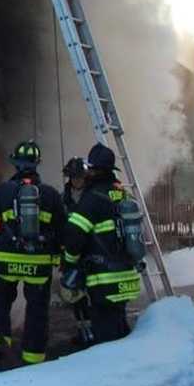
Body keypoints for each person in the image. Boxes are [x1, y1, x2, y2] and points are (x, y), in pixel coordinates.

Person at [0, 140, 66, 366]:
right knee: (37, 310)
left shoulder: (5, 190)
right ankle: (33, 356)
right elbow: (62, 227)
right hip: (38, 264)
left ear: (15, 163)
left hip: (6, 262)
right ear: (37, 164)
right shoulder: (50, 194)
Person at [60, 143, 141, 344]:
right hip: (126, 276)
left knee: (106, 339)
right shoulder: (123, 193)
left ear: (94, 170)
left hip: (104, 279)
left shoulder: (93, 198)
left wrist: (69, 262)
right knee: (119, 328)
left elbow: (75, 234)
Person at [60, 157, 94, 348]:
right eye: (73, 177)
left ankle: (95, 330)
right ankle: (82, 331)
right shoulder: (63, 197)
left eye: (79, 177)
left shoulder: (92, 195)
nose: (76, 180)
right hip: (71, 251)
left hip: (91, 250)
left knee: (92, 293)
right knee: (75, 295)